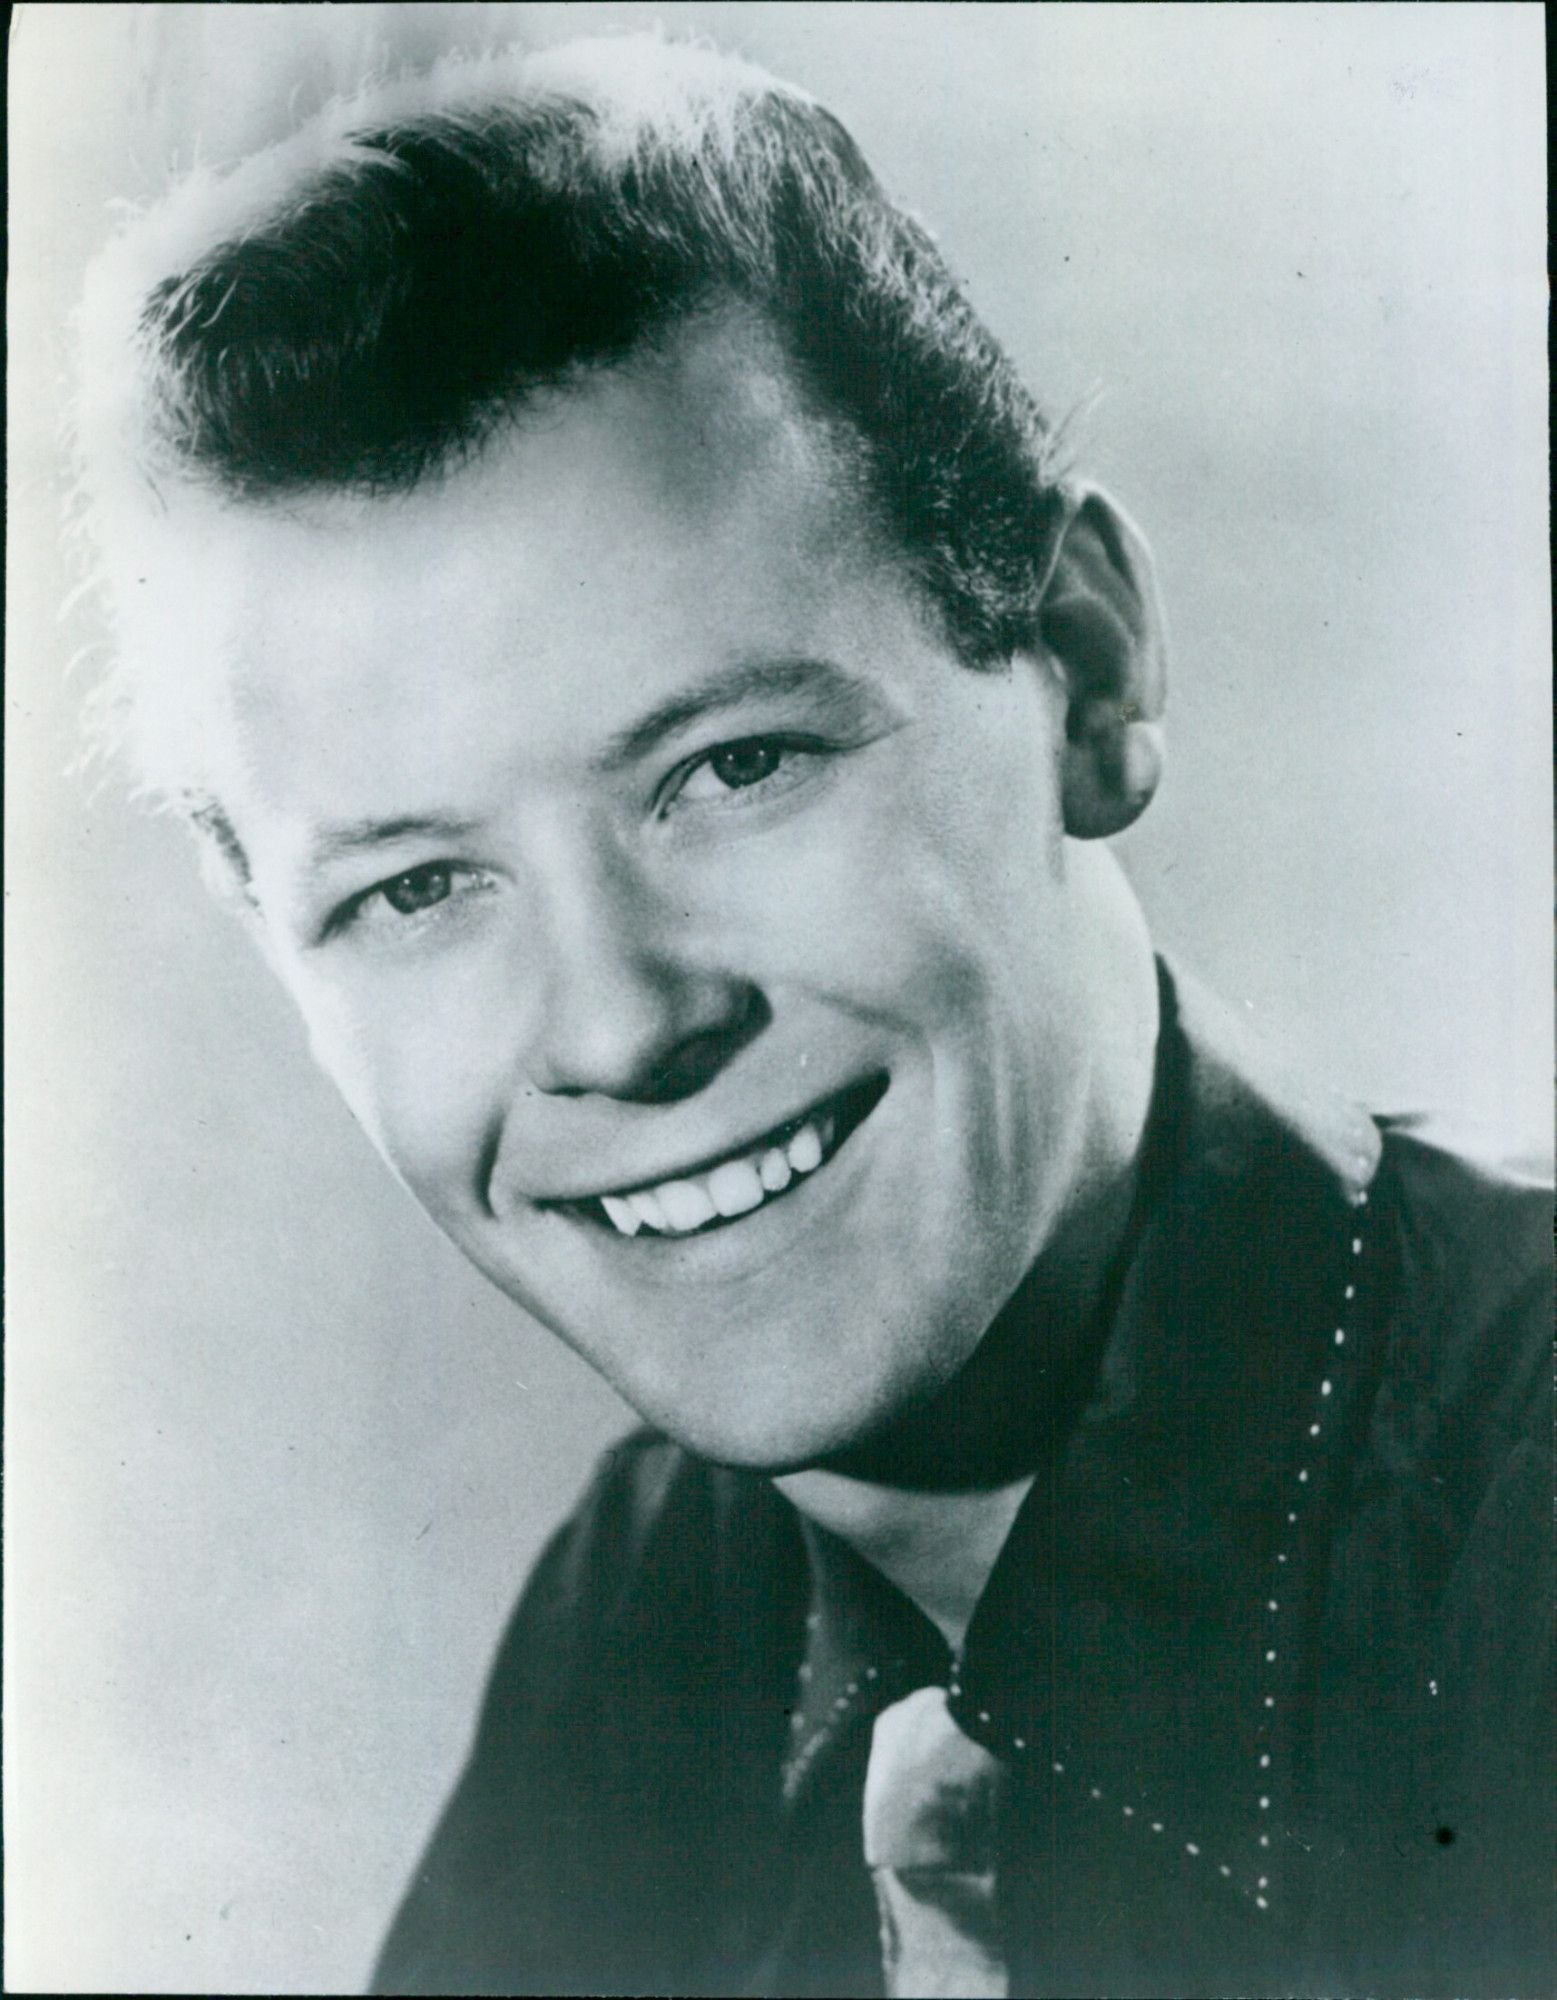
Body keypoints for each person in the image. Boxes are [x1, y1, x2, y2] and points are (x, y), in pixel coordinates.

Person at [73, 34, 1551, 1999]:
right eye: (415, 886)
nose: (615, 1025)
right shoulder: (655, 1615)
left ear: (1087, 675)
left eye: (731, 767)